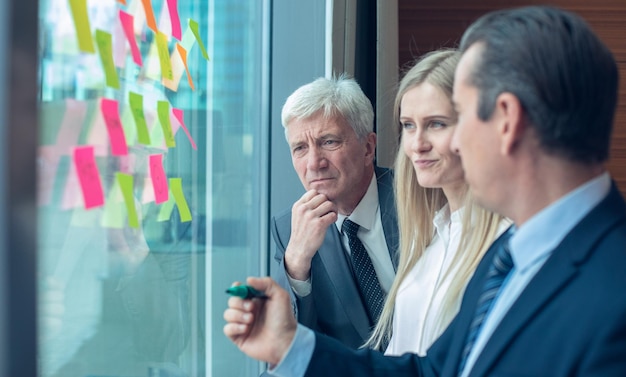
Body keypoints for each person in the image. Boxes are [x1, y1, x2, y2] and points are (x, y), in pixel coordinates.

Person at [224, 5, 626, 376]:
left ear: (507, 120)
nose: (430, 145)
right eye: (410, 126)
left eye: (457, 117)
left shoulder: (606, 290)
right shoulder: (507, 258)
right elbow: (430, 372)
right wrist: (289, 345)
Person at [363, 49, 509, 355]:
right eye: (408, 125)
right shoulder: (430, 245)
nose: (417, 145)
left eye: (436, 124)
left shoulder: (507, 245)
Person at [270, 75, 399, 349]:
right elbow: (291, 347)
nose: (314, 163)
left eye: (328, 142)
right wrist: (296, 264)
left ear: (368, 148)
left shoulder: (414, 197)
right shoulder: (289, 229)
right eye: (300, 148)